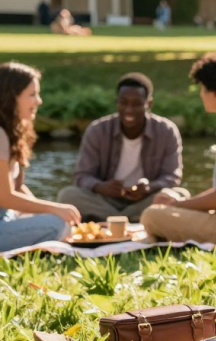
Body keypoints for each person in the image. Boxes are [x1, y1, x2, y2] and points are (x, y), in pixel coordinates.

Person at [141, 52, 216, 245]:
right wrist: (179, 204)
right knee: (174, 195)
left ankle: (152, 235)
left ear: (213, 92)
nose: (201, 95)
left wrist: (178, 206)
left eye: (202, 89)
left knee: (151, 216)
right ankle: (156, 234)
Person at [57, 73, 189, 222]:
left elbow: (172, 176)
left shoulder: (166, 131)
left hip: (145, 200)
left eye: (137, 103)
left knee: (180, 194)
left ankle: (114, 221)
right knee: (67, 195)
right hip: (106, 200)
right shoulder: (97, 130)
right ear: (116, 102)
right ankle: (134, 220)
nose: (129, 109)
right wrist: (102, 187)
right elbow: (82, 176)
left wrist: (149, 187)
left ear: (149, 104)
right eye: (123, 102)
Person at [0, 63, 81, 251]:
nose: (39, 101)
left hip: (7, 217)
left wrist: (49, 211)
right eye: (32, 95)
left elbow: (17, 189)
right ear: (11, 97)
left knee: (59, 220)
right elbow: (4, 197)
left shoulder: (12, 133)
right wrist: (54, 209)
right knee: (56, 224)